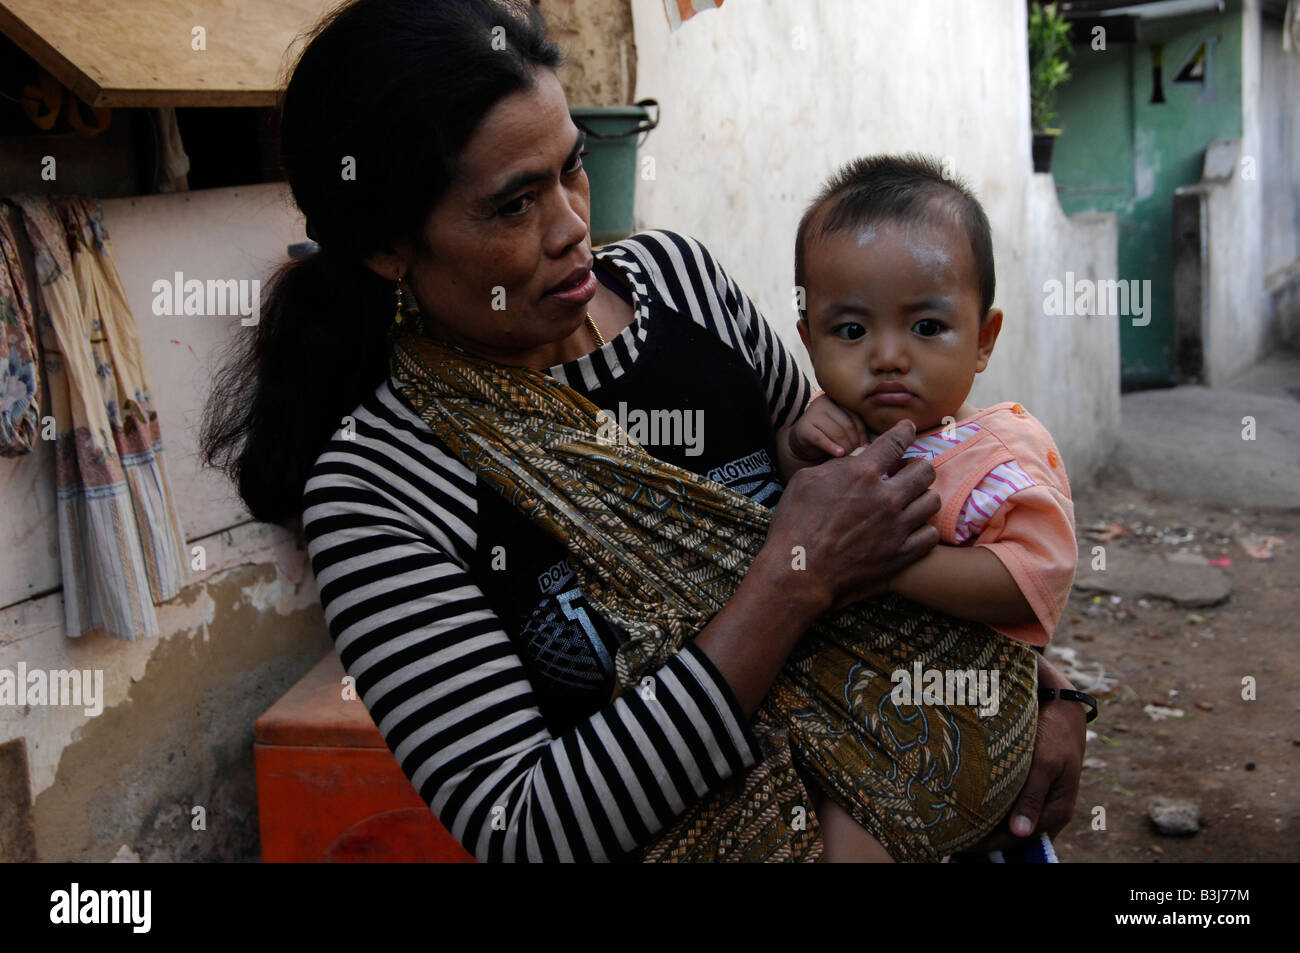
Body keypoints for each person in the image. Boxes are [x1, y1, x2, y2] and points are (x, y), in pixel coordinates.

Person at [200, 0, 1087, 862]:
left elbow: (871, 500)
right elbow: (523, 825)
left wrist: (1040, 692)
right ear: (388, 245)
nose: (573, 226)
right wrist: (789, 584)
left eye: (572, 167)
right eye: (514, 205)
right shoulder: (379, 488)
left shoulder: (682, 284)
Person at [781, 153, 1080, 860]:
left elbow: (1032, 574)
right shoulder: (833, 428)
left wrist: (891, 568)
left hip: (953, 718)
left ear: (983, 339)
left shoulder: (996, 457)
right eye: (851, 331)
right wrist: (796, 444)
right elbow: (784, 496)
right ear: (809, 341)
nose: (887, 356)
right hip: (847, 716)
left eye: (926, 328)